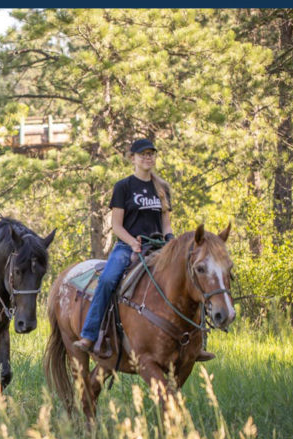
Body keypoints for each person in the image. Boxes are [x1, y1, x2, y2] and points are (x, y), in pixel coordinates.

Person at [72, 138, 215, 362]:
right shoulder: (124, 186)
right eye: (143, 154)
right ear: (133, 158)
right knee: (109, 279)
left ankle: (199, 343)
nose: (147, 157)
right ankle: (90, 334)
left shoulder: (162, 188)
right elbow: (117, 226)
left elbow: (166, 224)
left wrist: (171, 243)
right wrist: (132, 242)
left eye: (151, 154)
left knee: (193, 275)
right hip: (127, 246)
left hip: (158, 246)